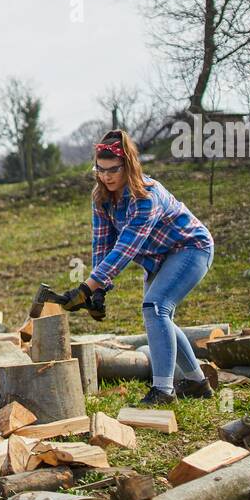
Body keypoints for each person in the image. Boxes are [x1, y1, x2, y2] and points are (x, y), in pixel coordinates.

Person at [61, 129, 215, 406]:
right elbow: (102, 243)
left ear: (128, 165)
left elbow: (126, 248)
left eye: (113, 170)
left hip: (191, 249)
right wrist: (99, 291)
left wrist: (87, 287)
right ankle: (197, 383)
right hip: (158, 258)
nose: (106, 176)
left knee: (155, 308)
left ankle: (163, 391)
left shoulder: (146, 196)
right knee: (159, 315)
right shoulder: (101, 197)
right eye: (100, 169)